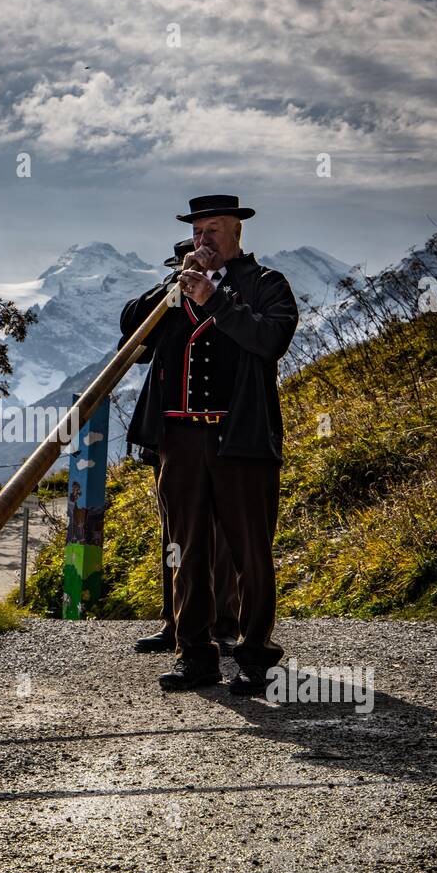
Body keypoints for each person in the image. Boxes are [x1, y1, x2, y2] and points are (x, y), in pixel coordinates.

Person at [118, 193, 298, 695]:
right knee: (185, 549)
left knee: (250, 552)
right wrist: (170, 289)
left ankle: (256, 659)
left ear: (237, 233)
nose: (204, 241)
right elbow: (131, 338)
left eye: (214, 230)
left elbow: (269, 341)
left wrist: (214, 301)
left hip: (239, 439)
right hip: (179, 439)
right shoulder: (172, 291)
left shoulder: (267, 286)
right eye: (198, 232)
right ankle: (194, 656)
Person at [122, 237, 240, 657]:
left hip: (223, 432)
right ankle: (176, 621)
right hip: (168, 433)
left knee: (222, 532)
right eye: (185, 267)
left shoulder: (230, 301)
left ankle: (224, 623)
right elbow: (131, 337)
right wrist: (173, 284)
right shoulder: (167, 304)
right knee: (175, 534)